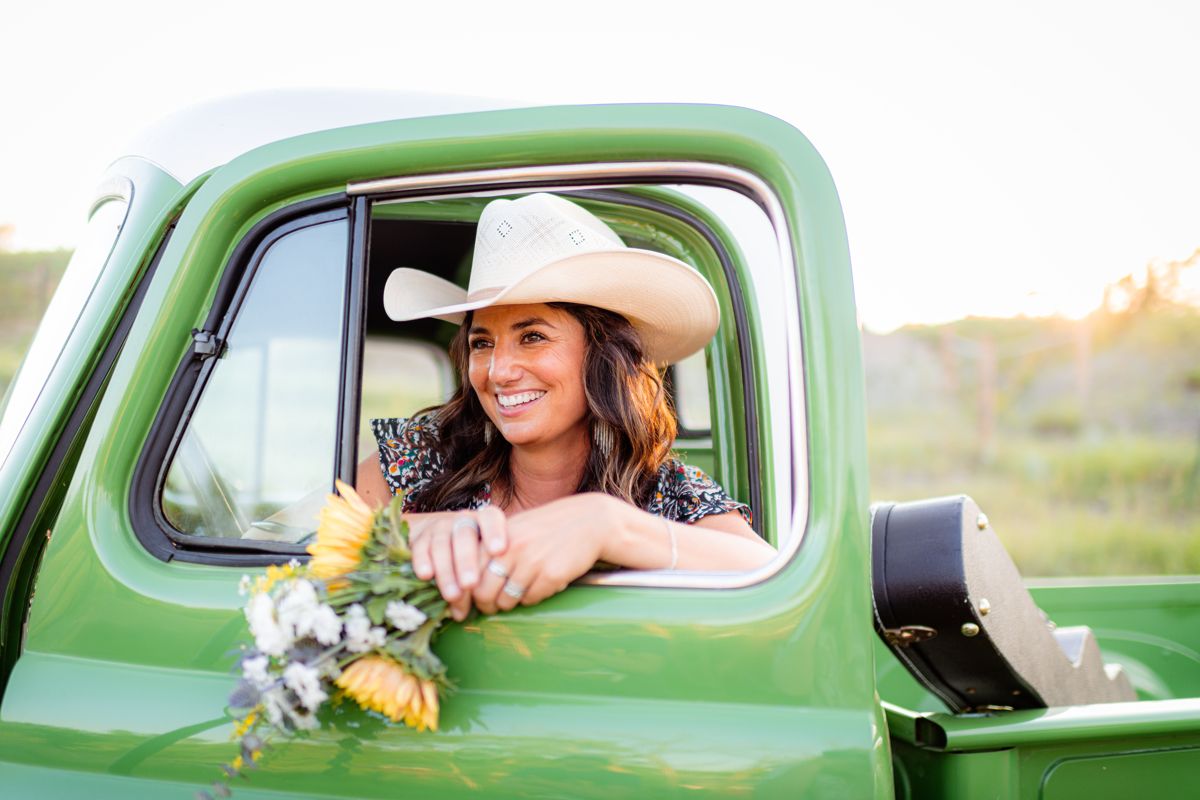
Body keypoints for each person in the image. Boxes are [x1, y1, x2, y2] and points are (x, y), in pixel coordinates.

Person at [355, 192, 776, 621]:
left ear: (601, 356)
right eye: (482, 343)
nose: (498, 371)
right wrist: (409, 532)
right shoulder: (425, 456)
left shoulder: (663, 489)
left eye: (532, 337)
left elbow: (769, 572)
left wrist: (607, 525)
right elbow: (317, 540)